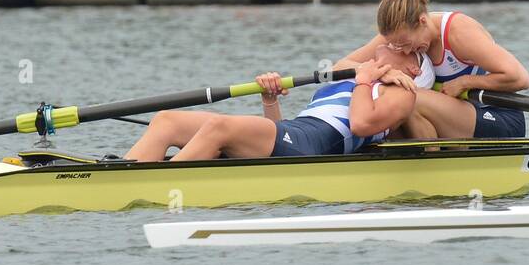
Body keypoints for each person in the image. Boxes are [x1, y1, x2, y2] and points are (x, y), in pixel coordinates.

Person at [124, 46, 433, 162]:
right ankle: (119, 174)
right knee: (166, 120)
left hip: (312, 147)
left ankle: (151, 186)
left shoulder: (396, 94)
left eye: (402, 49)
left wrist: (366, 79)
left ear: (414, 69)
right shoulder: (355, 76)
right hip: (294, 134)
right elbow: (281, 134)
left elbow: (361, 124)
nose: (389, 45)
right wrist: (269, 100)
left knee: (219, 126)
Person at [336, 0, 529, 139]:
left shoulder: (459, 32)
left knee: (407, 99)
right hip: (455, 119)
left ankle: (431, 169)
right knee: (384, 103)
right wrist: (382, 74)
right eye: (397, 46)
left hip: (498, 119)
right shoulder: (397, 32)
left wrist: (465, 82)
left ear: (422, 21)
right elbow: (339, 67)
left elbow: (519, 77)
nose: (404, 52)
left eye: (406, 44)